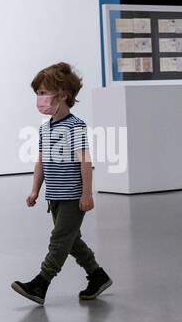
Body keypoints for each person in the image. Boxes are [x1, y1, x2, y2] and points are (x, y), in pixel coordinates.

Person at [11, 62, 112, 305]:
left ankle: (40, 283)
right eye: (37, 94)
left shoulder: (75, 126)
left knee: (59, 240)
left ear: (63, 95)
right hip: (54, 197)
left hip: (72, 196)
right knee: (71, 240)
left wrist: (87, 194)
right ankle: (98, 276)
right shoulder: (45, 129)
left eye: (43, 93)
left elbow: (85, 162)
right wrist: (35, 190)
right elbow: (42, 161)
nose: (39, 98)